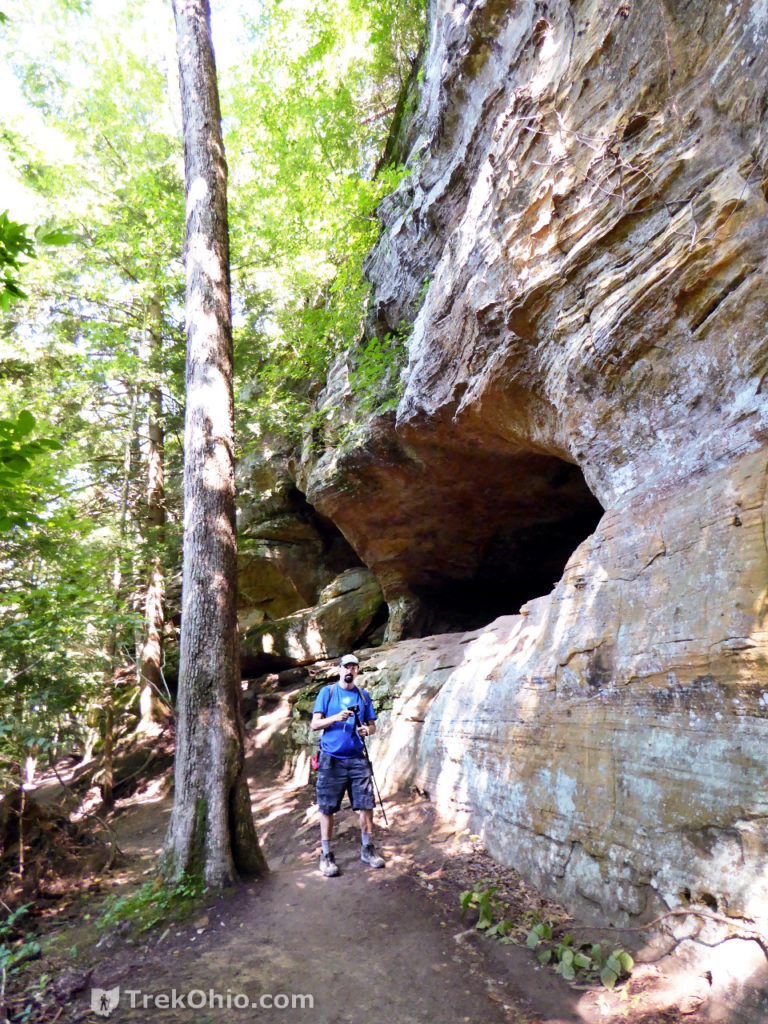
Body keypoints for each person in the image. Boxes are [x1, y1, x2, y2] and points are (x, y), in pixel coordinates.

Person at [311, 653, 385, 876]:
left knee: (366, 804)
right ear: (339, 669)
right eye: (346, 667)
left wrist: (367, 730)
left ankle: (367, 848)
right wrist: (336, 718)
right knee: (327, 807)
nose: (350, 671)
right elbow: (315, 724)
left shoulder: (363, 696)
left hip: (357, 758)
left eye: (354, 667)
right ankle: (326, 854)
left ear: (357, 671)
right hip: (331, 759)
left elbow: (372, 726)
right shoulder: (328, 692)